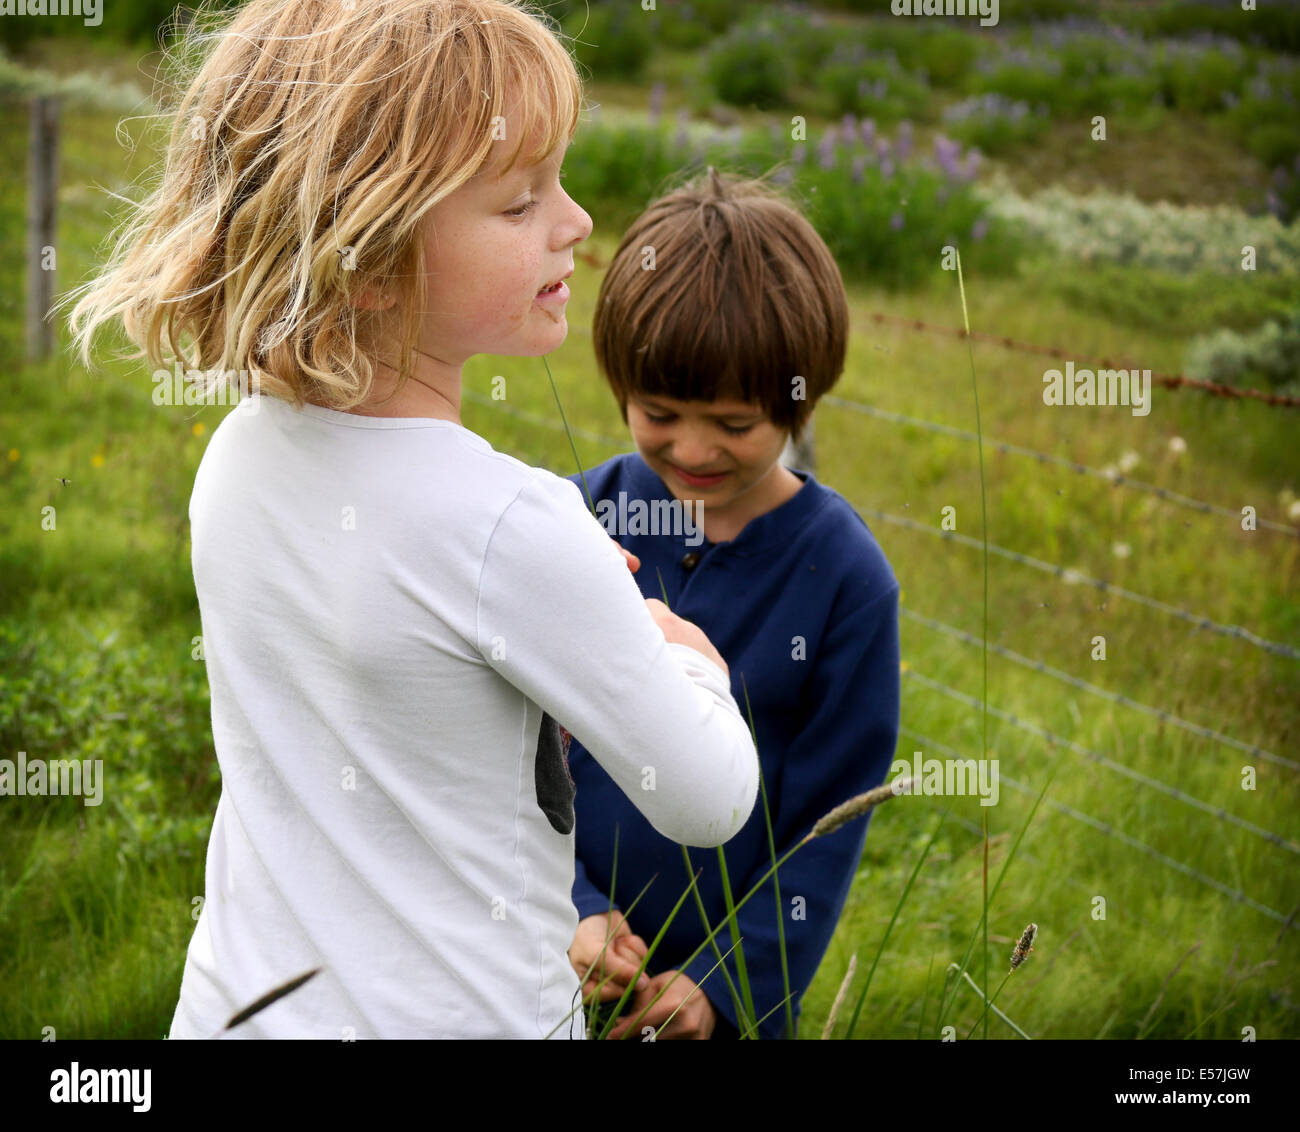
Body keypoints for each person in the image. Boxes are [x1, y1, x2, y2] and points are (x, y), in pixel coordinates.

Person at [66, 0, 757, 1039]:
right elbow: (707, 798)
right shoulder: (514, 523)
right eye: (520, 203)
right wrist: (680, 653)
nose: (574, 223)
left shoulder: (240, 456)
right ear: (367, 259)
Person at [564, 170, 901, 1040]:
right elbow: (508, 763)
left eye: (734, 423)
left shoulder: (848, 580)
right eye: (659, 411)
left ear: (802, 403)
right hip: (552, 968)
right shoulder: (569, 526)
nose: (694, 448)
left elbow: (828, 826)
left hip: (715, 1013)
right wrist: (573, 906)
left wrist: (726, 985)